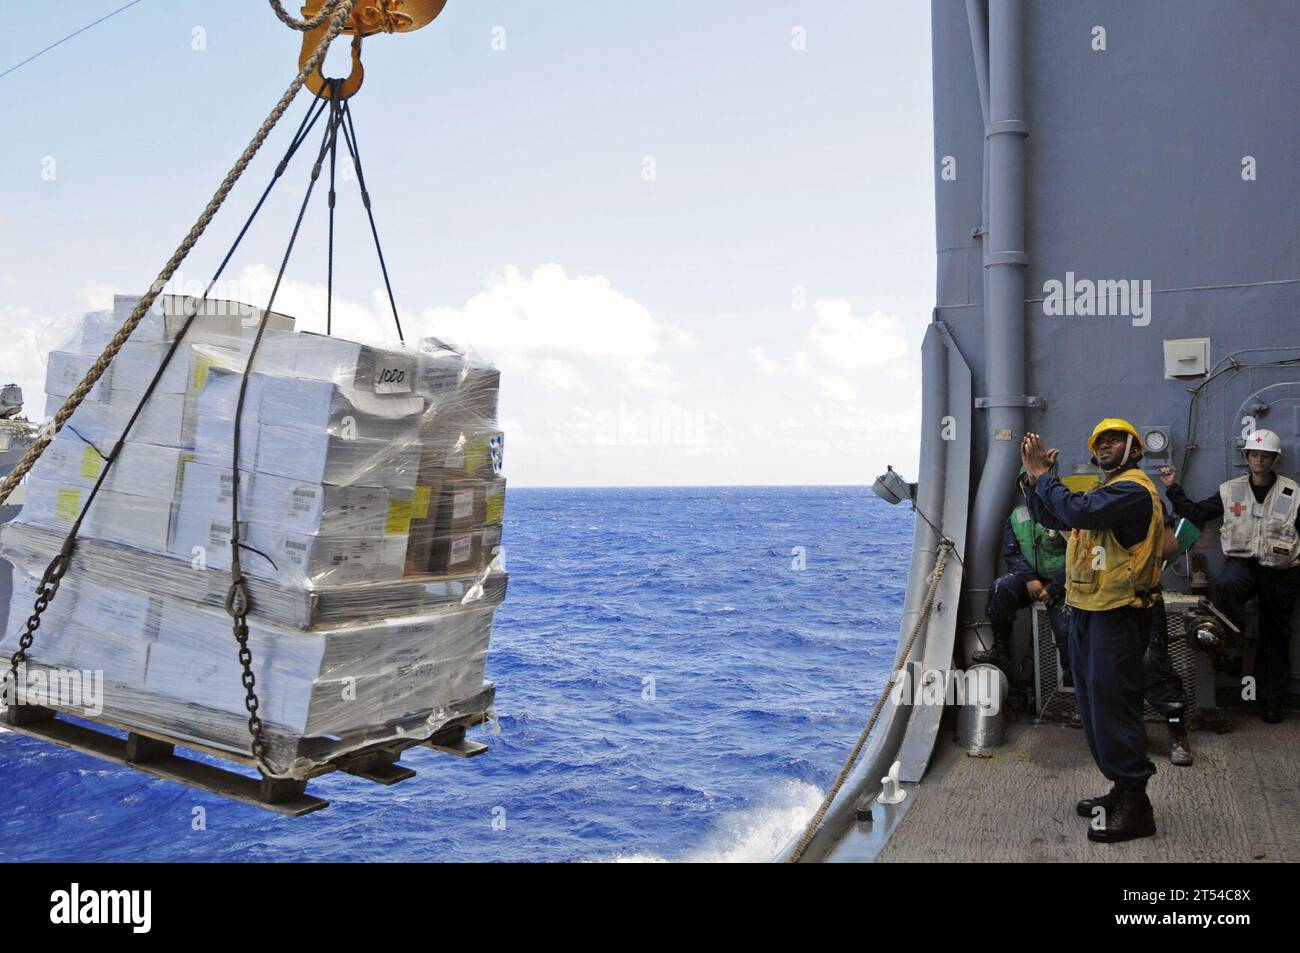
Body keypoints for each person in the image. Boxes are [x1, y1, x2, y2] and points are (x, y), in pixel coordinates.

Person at [1021, 419, 1164, 843]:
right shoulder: (1106, 493)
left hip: (1118, 614)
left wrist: (1047, 478)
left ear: (1134, 450)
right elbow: (1055, 514)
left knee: (1114, 706)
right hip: (1089, 608)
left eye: (1115, 440)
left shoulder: (1134, 490)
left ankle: (1137, 806)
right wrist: (1036, 481)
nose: (1105, 446)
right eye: (1099, 441)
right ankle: (1120, 790)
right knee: (1096, 705)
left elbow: (1075, 511)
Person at [1158, 428, 1300, 723]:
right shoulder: (1231, 490)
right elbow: (1196, 512)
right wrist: (1172, 487)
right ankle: (1230, 651)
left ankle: (1272, 700)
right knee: (1224, 585)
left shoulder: (1292, 491)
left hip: (1280, 571)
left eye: (1265, 455)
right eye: (1254, 454)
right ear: (1247, 457)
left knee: (1276, 634)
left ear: (1274, 459)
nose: (1259, 460)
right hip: (1243, 563)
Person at [973, 469, 1071, 683]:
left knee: (1066, 628)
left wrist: (1054, 587)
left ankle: (1072, 678)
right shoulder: (1017, 517)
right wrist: (1029, 578)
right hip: (1031, 580)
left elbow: (1077, 557)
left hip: (1064, 583)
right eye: (1028, 481)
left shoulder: (1065, 516)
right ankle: (1001, 651)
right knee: (1001, 589)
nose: (1033, 485)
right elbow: (1012, 551)